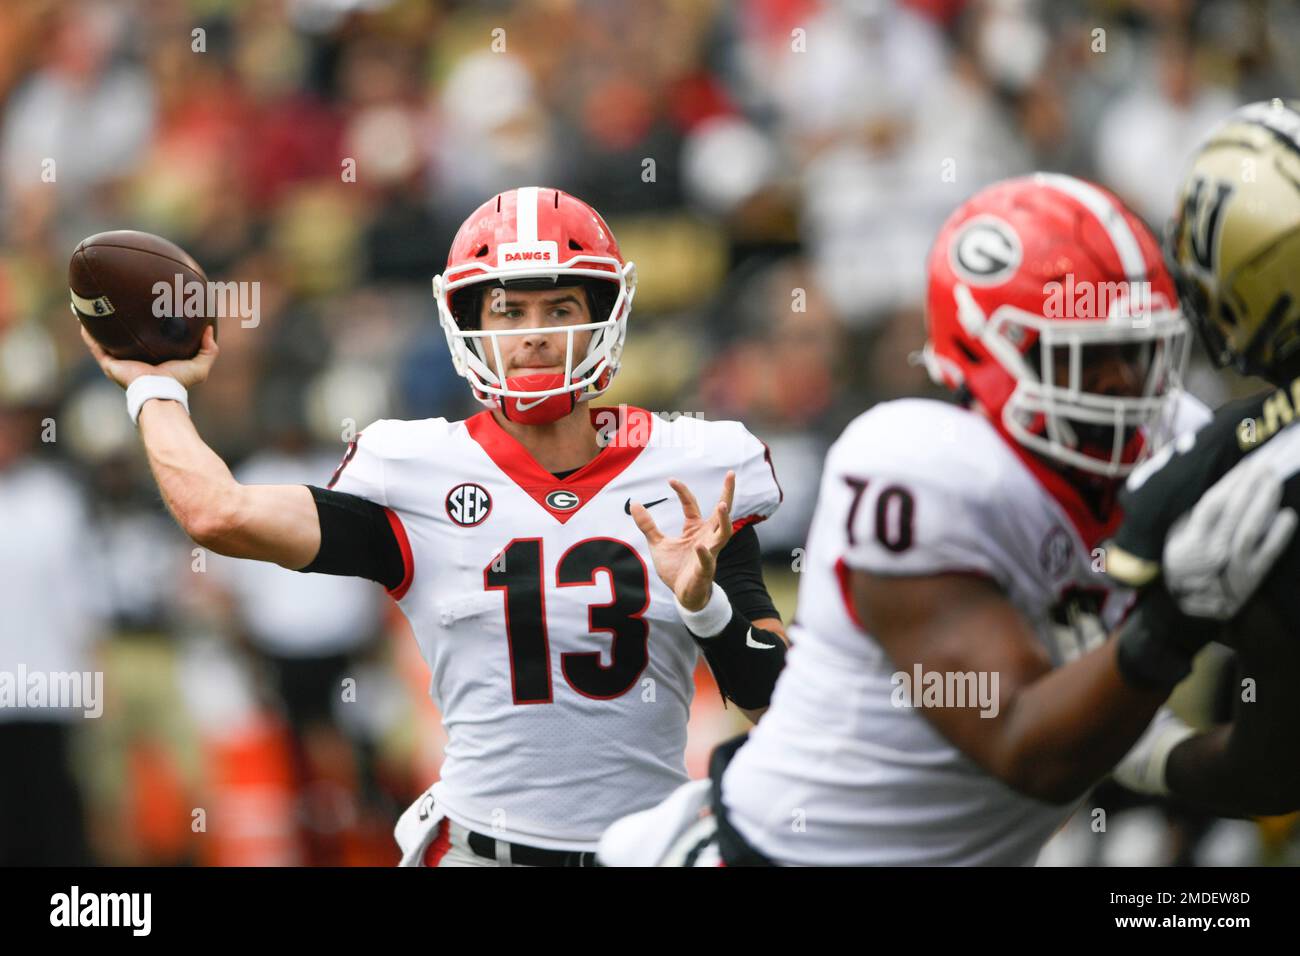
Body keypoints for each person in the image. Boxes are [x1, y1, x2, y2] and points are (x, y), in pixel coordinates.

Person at [598, 173, 1298, 867]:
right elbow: (1026, 747)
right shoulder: (915, 467)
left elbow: (1265, 775)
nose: (1120, 382)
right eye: (1083, 356)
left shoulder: (1179, 443)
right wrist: (1174, 615)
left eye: (1137, 351)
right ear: (986, 353)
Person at [79, 186, 788, 867]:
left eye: (561, 307)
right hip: (479, 852)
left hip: (645, 854)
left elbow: (777, 707)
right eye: (509, 312)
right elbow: (217, 512)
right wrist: (154, 387)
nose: (535, 336)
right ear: (470, 324)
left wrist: (707, 607)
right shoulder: (415, 471)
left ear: (608, 314)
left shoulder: (692, 468)